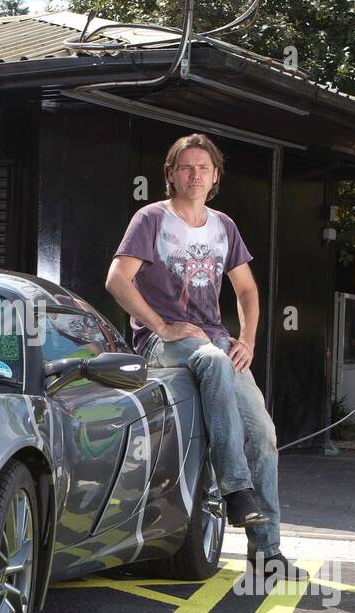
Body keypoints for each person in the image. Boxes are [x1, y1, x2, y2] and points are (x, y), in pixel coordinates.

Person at [105, 133, 306, 582]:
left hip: (214, 342)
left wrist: (248, 340)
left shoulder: (224, 227)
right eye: (186, 167)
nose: (195, 175)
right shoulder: (151, 218)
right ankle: (236, 490)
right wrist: (160, 326)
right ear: (172, 174)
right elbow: (118, 280)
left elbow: (248, 290)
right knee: (213, 360)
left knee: (265, 435)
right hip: (164, 345)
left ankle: (267, 554)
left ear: (215, 176)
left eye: (204, 168)